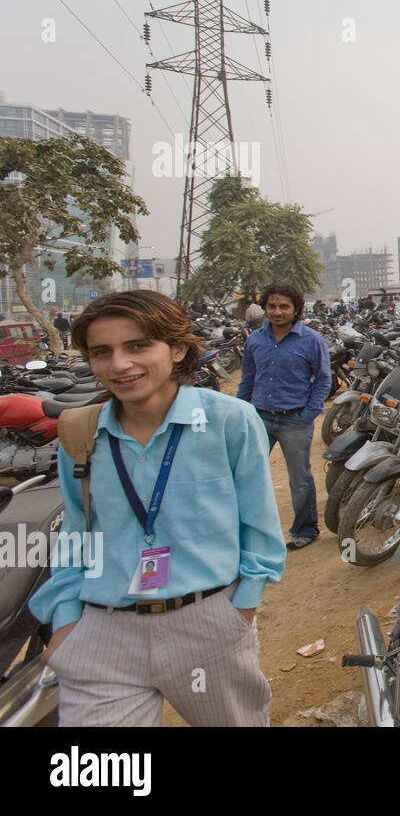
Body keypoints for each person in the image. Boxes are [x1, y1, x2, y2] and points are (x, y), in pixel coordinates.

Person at [27, 290, 284, 725]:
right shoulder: (79, 433)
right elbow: (77, 531)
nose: (120, 365)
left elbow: (258, 524)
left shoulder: (229, 420)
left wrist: (240, 611)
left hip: (207, 625)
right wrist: (66, 618)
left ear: (178, 347)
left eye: (138, 346)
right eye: (101, 352)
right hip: (104, 631)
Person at [237, 283, 331, 550]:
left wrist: (309, 414)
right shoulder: (255, 339)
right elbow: (248, 379)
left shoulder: (312, 340)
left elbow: (323, 380)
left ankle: (305, 529)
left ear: (296, 309)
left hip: (294, 420)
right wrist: (242, 411)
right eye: (272, 306)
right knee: (247, 474)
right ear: (265, 308)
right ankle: (248, 531)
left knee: (299, 479)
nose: (277, 312)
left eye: (284, 306)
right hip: (259, 418)